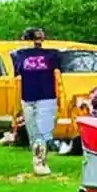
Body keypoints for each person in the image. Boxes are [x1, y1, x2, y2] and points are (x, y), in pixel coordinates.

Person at [11, 27, 62, 176]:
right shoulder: (17, 55)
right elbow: (18, 80)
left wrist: (59, 98)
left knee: (40, 132)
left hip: (44, 97)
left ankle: (40, 162)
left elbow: (57, 77)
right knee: (35, 132)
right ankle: (39, 160)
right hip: (30, 97)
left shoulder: (51, 55)